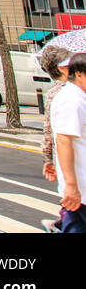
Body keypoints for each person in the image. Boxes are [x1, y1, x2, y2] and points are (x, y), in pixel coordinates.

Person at [50, 53, 86, 233]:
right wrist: (71, 186)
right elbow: (64, 141)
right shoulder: (71, 101)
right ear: (78, 74)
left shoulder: (80, 97)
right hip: (81, 186)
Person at [40, 45, 72, 184]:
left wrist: (48, 159)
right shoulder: (69, 92)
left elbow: (48, 131)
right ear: (62, 68)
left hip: (64, 160)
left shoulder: (52, 94)